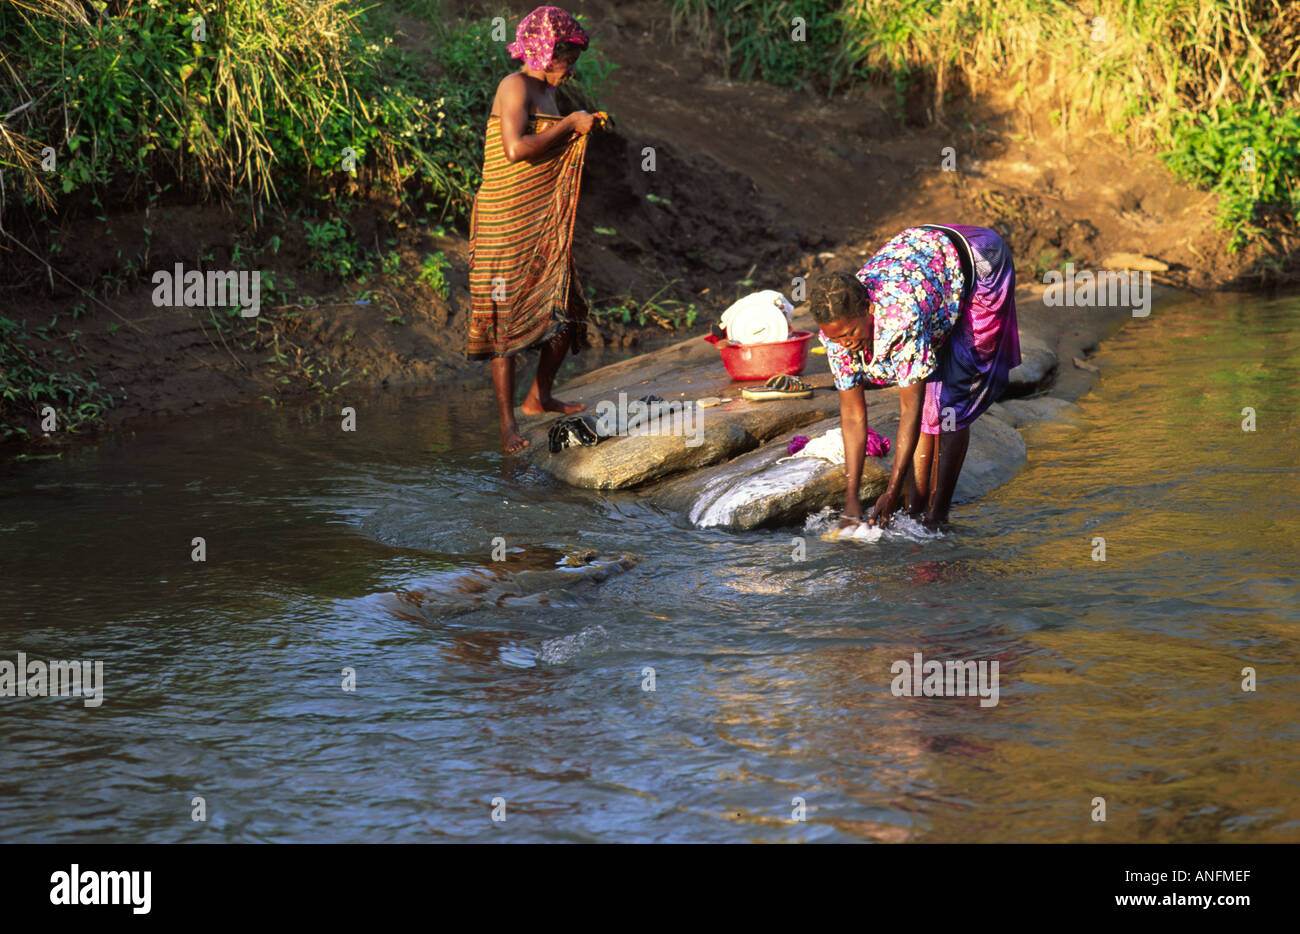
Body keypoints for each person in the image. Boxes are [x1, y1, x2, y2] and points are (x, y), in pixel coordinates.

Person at [807, 225, 1022, 529]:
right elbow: (853, 414)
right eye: (836, 338)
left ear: (869, 309)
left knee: (950, 401)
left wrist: (891, 491)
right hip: (930, 272)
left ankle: (938, 517)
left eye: (851, 332)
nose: (846, 343)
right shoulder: (836, 335)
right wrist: (851, 498)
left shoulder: (900, 320)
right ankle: (915, 509)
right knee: (930, 400)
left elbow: (910, 410)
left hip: (979, 261)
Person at [466, 6, 602, 452]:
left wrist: (579, 127)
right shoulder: (515, 86)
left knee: (565, 308)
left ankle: (538, 397)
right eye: (568, 60)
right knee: (503, 320)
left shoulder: (548, 93)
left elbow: (549, 146)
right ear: (547, 52)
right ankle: (507, 425)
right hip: (504, 221)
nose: (571, 70)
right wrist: (570, 124)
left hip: (540, 222)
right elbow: (515, 149)